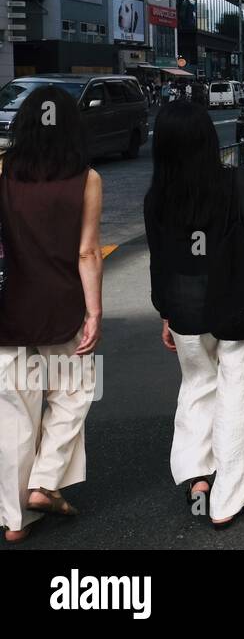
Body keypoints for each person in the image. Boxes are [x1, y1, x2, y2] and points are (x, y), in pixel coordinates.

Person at [144, 101, 244, 529]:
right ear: (210, 140)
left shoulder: (157, 199)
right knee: (235, 399)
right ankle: (225, 501)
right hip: (237, 307)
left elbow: (161, 263)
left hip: (186, 309)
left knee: (197, 387)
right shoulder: (236, 183)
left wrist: (166, 314)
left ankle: (196, 477)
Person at [0, 86, 103, 543]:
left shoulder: (3, 172)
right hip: (62, 305)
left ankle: (15, 521)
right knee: (74, 393)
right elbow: (87, 252)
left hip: (9, 308)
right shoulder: (87, 178)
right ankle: (43, 483)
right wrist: (95, 311)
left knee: (14, 415)